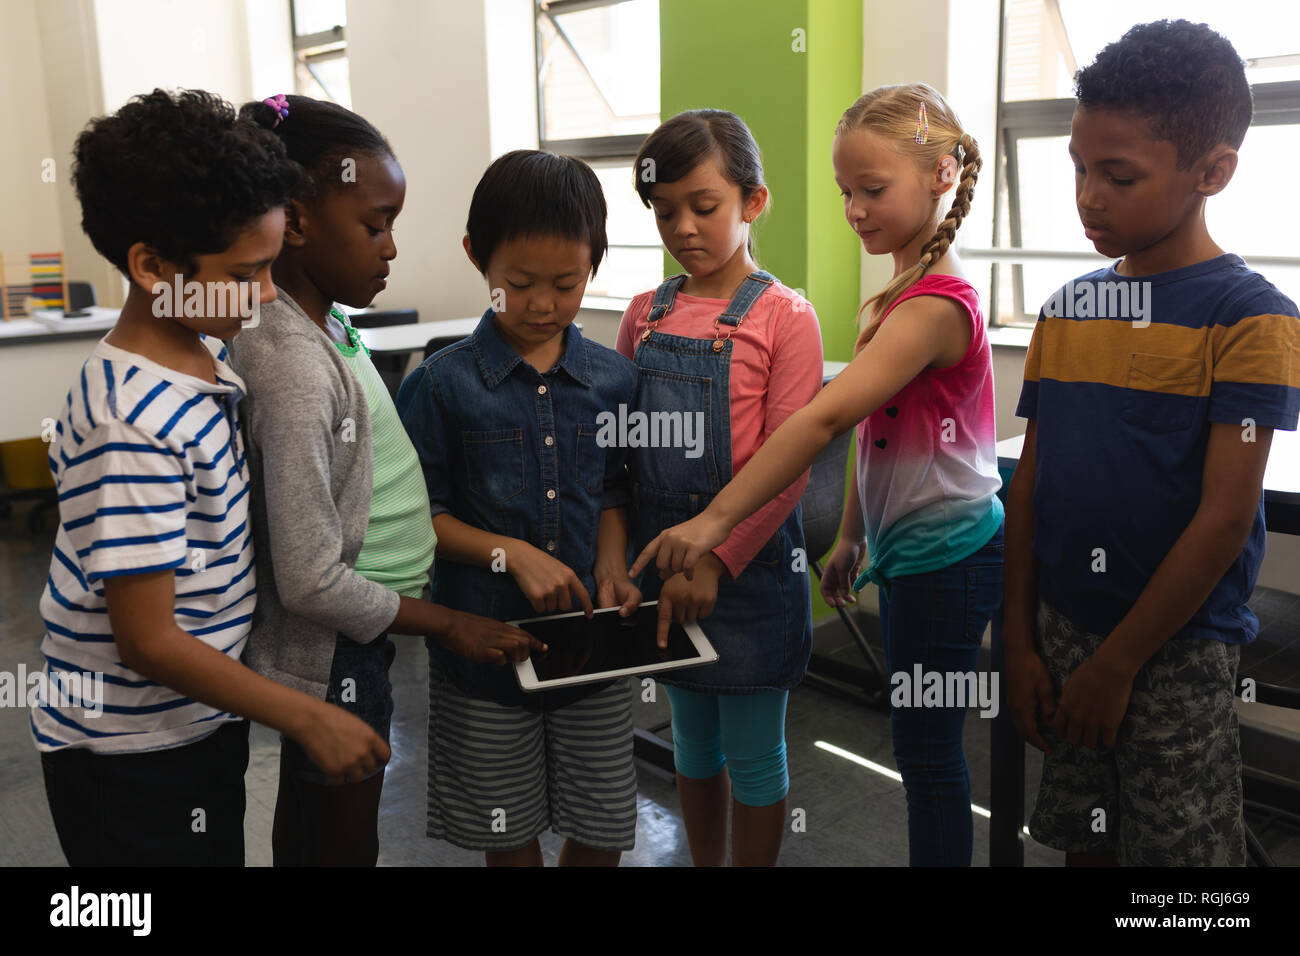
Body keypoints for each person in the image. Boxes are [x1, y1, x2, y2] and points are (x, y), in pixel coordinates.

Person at [629, 89, 1003, 867]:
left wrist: (712, 527)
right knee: (916, 747)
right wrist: (856, 533)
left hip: (951, 556)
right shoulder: (896, 294)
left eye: (874, 190)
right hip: (907, 553)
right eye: (846, 193)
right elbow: (878, 433)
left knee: (930, 759)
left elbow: (824, 422)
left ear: (942, 175)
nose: (855, 210)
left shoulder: (934, 307)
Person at [33, 89, 389, 867]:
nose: (267, 295)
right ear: (154, 267)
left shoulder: (202, 356)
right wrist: (305, 715)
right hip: (127, 753)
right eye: (249, 272)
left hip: (194, 722)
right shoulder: (130, 422)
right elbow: (148, 639)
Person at [1002, 20, 1300, 866]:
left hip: (1173, 650)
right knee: (1084, 839)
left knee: (1178, 867)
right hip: (1061, 629)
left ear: (1213, 172)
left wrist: (1118, 663)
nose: (1088, 195)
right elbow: (1029, 485)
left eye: (1118, 175)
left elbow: (1220, 520)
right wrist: (1019, 640)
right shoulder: (1066, 308)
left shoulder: (1252, 318)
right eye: (1078, 167)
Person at [230, 95, 538, 867]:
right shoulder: (291, 364)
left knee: (320, 815)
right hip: (334, 644)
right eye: (375, 225)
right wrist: (447, 625)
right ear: (294, 221)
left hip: (363, 637)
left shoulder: (325, 323)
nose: (392, 249)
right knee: (340, 836)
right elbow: (307, 579)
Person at [396, 150, 641, 867]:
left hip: (592, 648)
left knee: (602, 821)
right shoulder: (441, 386)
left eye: (566, 284)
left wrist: (611, 560)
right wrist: (514, 554)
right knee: (506, 832)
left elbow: (615, 489)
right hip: (486, 647)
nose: (541, 305)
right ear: (478, 257)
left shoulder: (614, 380)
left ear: (595, 262)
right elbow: (421, 517)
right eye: (519, 283)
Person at [617, 109, 824, 866]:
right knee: (692, 744)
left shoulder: (785, 316)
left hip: (751, 568)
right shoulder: (646, 312)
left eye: (703, 207)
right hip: (665, 564)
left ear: (753, 201)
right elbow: (625, 443)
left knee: (752, 749)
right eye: (664, 210)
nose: (683, 227)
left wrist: (718, 557)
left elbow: (789, 461)